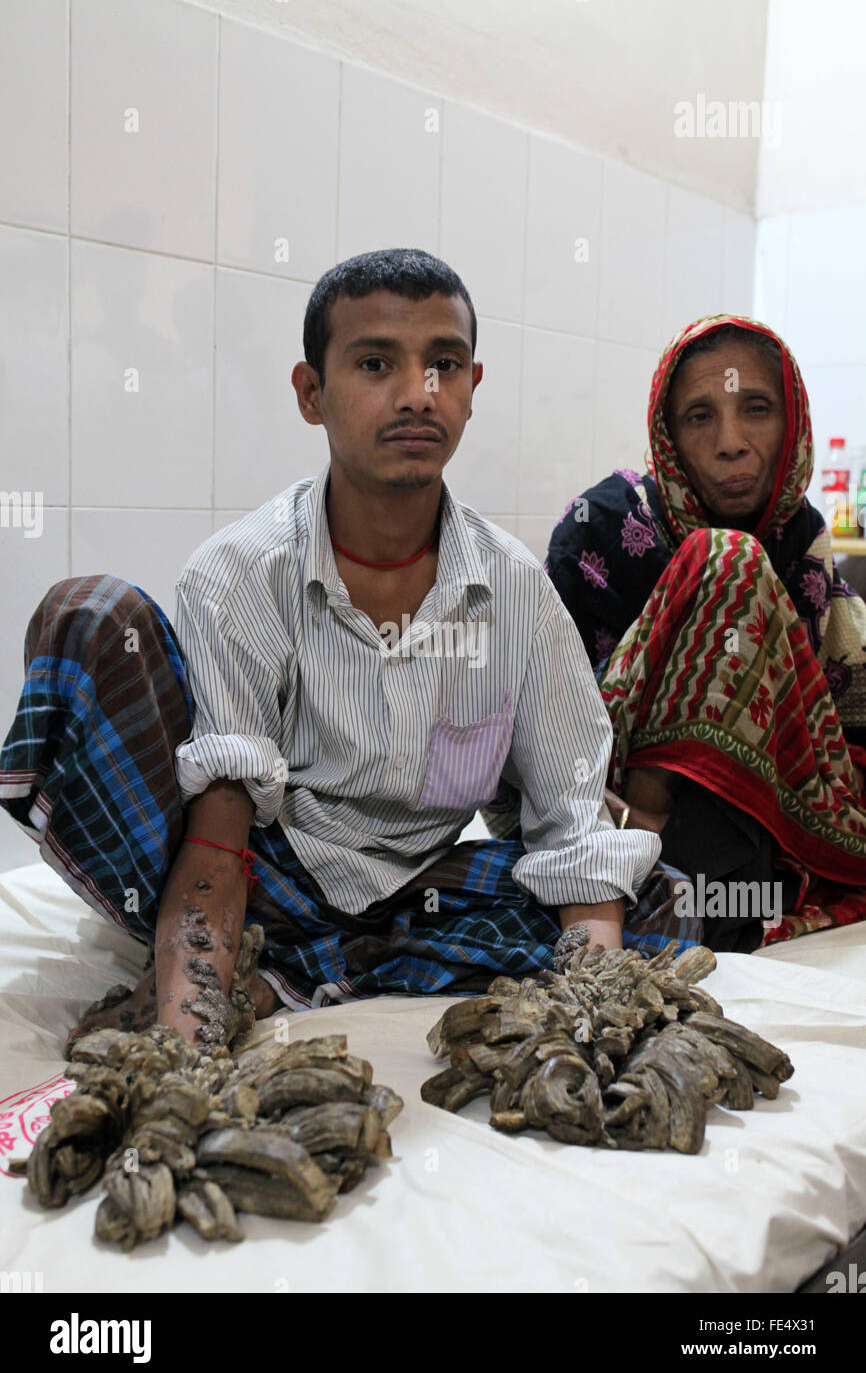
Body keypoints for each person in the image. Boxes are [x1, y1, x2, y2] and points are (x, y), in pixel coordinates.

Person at [0, 248, 672, 1052]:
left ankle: (291, 973)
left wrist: (592, 1017)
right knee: (91, 616)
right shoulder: (240, 572)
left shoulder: (516, 593)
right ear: (311, 393)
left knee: (652, 897)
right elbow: (219, 828)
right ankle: (252, 964)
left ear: (471, 388)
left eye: (444, 364)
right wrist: (190, 1032)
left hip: (413, 889)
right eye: (377, 363)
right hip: (254, 873)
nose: (418, 394)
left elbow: (572, 826)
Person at [541, 313, 866, 952]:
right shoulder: (603, 528)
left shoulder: (801, 537)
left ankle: (725, 895)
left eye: (756, 408)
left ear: (792, 421)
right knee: (730, 561)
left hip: (751, 824)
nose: (730, 441)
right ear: (668, 433)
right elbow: (535, 719)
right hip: (600, 815)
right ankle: (658, 847)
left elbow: (842, 692)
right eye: (699, 416)